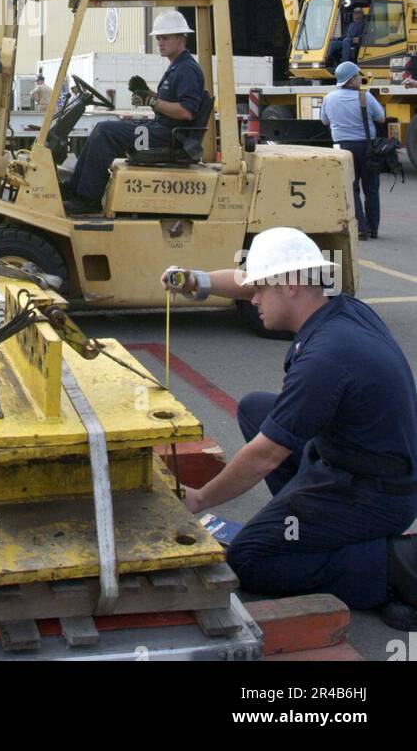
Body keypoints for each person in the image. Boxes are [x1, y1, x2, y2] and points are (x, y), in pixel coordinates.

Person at [162, 228, 417, 632]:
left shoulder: (327, 357)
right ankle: (307, 527)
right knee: (254, 409)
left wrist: (201, 499)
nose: (253, 297)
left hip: (374, 495)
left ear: (293, 285)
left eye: (261, 288)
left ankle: (393, 568)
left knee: (249, 559)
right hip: (355, 461)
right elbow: (245, 284)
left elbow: (265, 456)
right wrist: (199, 280)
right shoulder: (335, 306)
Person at [63, 10, 205, 213]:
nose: (160, 42)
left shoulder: (186, 70)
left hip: (167, 137)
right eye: (158, 38)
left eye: (165, 38)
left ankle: (87, 199)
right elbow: (170, 103)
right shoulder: (178, 67)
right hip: (162, 130)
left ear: (181, 37)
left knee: (105, 131)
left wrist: (152, 101)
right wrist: (147, 93)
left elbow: (186, 112)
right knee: (101, 128)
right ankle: (73, 188)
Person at [320, 61, 384, 241]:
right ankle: (373, 229)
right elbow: (381, 118)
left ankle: (360, 228)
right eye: (357, 76)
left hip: (342, 148)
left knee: (351, 188)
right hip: (367, 147)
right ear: (351, 79)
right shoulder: (365, 97)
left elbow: (324, 121)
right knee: (371, 188)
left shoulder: (329, 98)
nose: (359, 79)